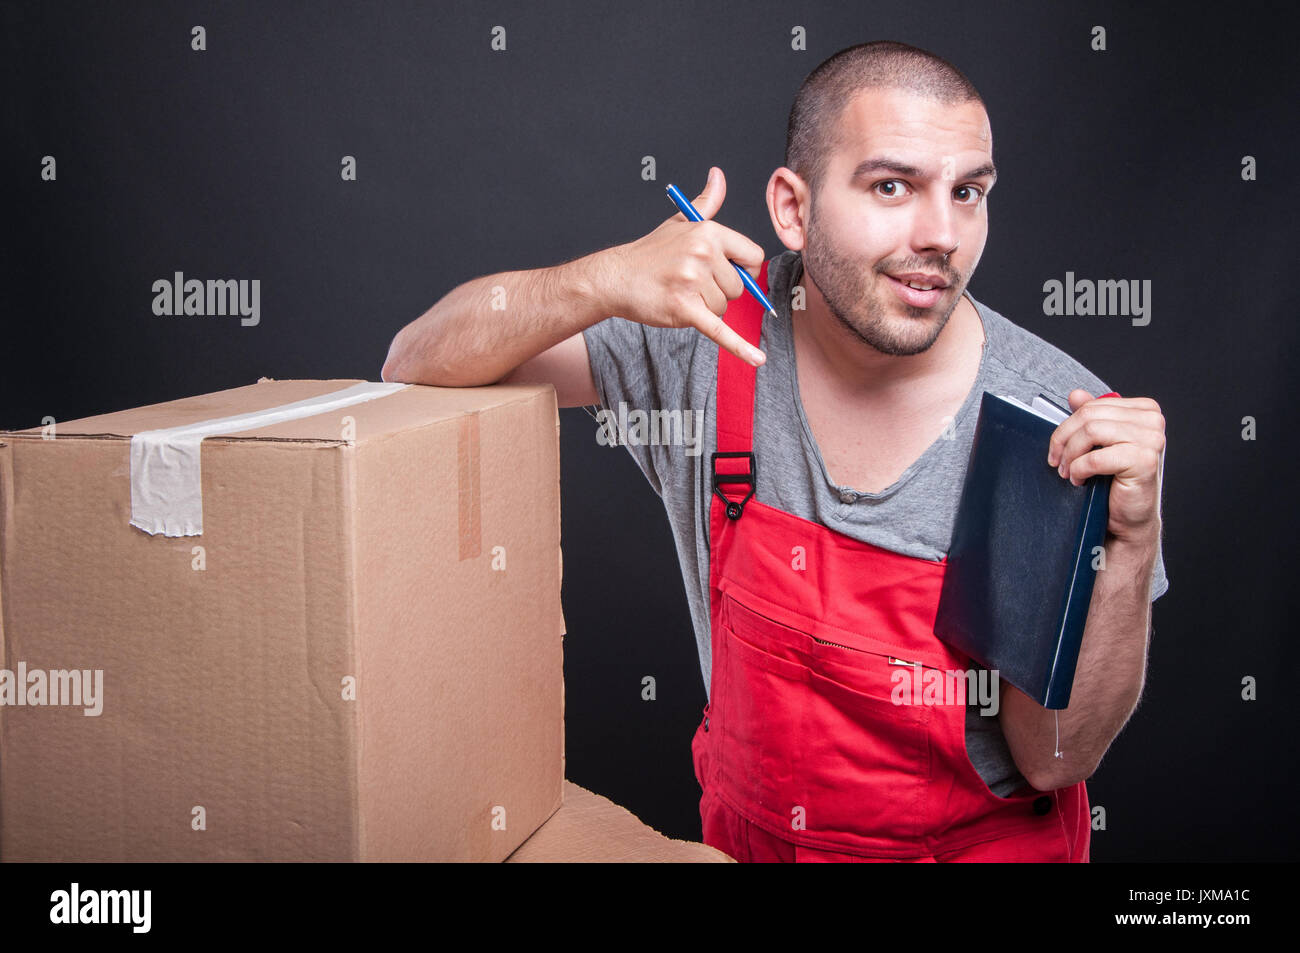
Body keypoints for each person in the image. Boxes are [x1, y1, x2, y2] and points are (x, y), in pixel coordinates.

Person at [381, 40, 1168, 862]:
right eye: (892, 186)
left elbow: (1054, 757)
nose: (942, 235)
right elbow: (417, 361)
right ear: (793, 208)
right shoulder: (704, 344)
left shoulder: (1056, 422)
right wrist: (604, 278)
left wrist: (1130, 541)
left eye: (968, 192)